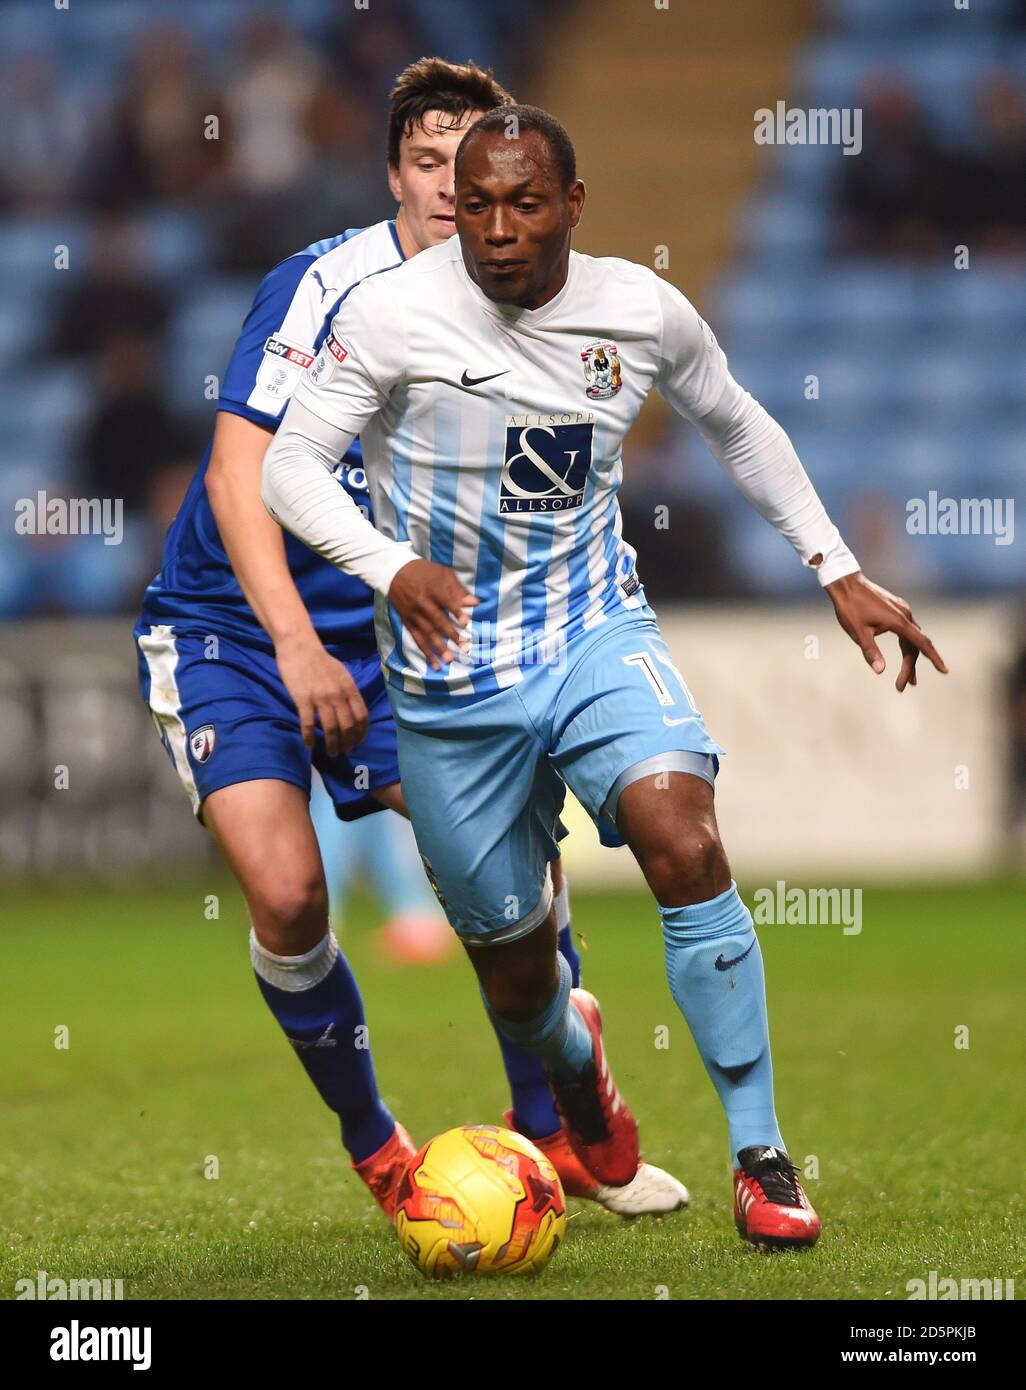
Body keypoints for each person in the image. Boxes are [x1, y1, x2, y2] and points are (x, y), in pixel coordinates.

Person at [262, 104, 949, 1249]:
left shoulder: (639, 309)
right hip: (446, 683)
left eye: (524, 203)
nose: (495, 228)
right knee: (519, 982)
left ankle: (761, 1153)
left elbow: (738, 424)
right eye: (474, 203)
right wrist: (390, 566)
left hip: (591, 631)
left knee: (684, 837)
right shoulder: (389, 315)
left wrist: (838, 566)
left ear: (572, 205)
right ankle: (578, 1064)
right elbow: (290, 464)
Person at [135, 64, 688, 1223]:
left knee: (506, 887)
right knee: (289, 899)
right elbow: (240, 479)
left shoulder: (526, 300)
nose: (452, 189)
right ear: (394, 176)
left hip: (398, 634)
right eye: (428, 164)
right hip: (239, 626)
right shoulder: (324, 285)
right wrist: (293, 641)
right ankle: (382, 1149)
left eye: (472, 166)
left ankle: (560, 1135)